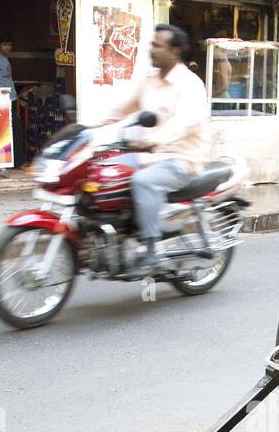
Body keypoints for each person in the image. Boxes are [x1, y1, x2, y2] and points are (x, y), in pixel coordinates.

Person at [88, 24, 210, 273]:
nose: (150, 49)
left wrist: (152, 141)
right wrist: (87, 127)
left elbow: (184, 124)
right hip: (150, 156)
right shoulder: (149, 80)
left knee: (144, 181)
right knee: (105, 173)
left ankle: (152, 250)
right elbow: (123, 108)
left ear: (174, 51)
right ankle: (121, 232)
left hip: (182, 159)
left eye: (157, 45)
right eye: (151, 44)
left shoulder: (190, 85)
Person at [0, 32, 27, 169]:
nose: (8, 48)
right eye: (5, 45)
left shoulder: (4, 59)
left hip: (11, 98)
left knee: (13, 130)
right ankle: (18, 162)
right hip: (3, 100)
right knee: (15, 130)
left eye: (10, 45)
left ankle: (13, 161)